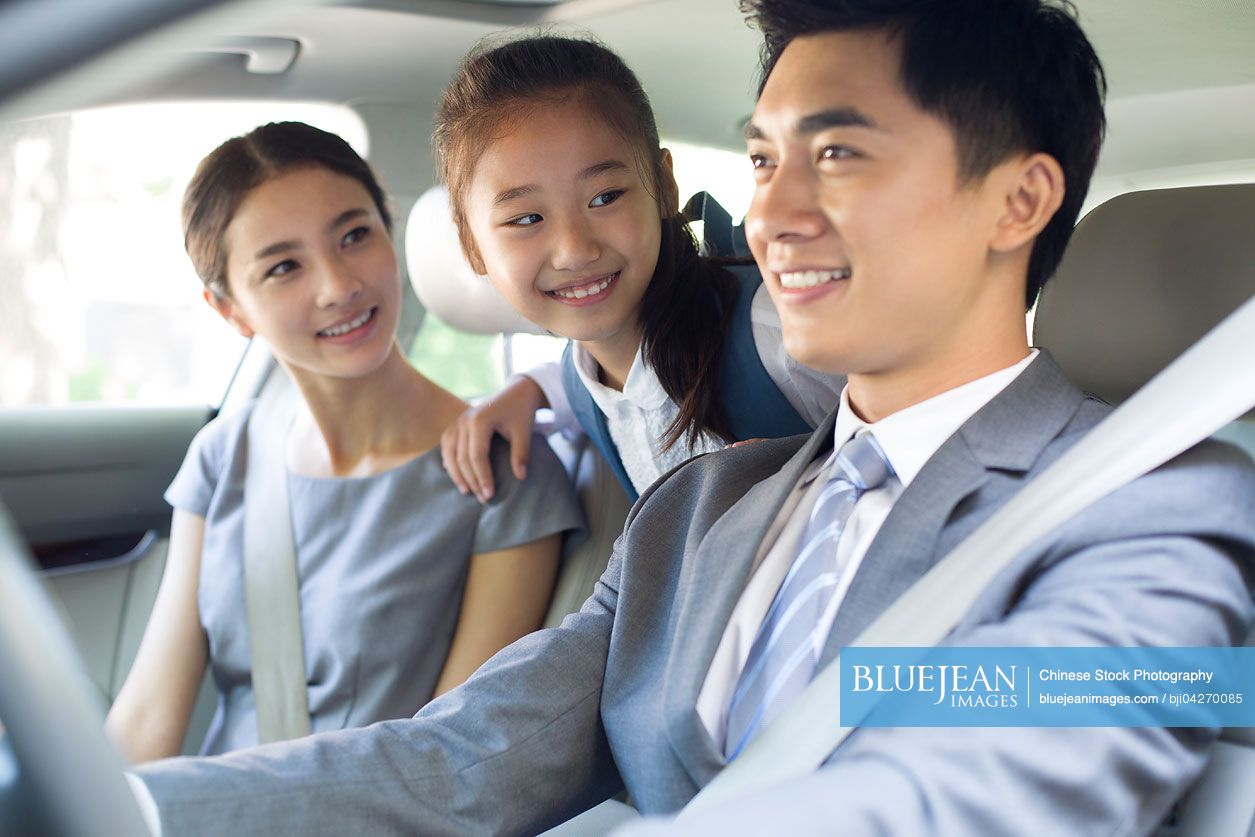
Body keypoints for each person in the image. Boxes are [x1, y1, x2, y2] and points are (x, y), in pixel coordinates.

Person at [131, 2, 1255, 834]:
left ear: (1017, 200)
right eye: (762, 157)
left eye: (837, 153)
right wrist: (123, 810)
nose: (768, 210)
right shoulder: (693, 512)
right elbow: (458, 761)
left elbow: (985, 785)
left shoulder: (1156, 501)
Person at [105, 121, 583, 762]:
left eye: (355, 235)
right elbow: (147, 718)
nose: (338, 286)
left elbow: (445, 760)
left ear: (389, 228)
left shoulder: (504, 471)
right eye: (283, 268)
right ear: (231, 311)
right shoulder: (225, 454)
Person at [432, 35, 841, 503]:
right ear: (471, 244)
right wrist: (530, 388)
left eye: (605, 197)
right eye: (527, 219)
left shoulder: (778, 335)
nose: (574, 251)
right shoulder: (582, 382)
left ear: (664, 185)